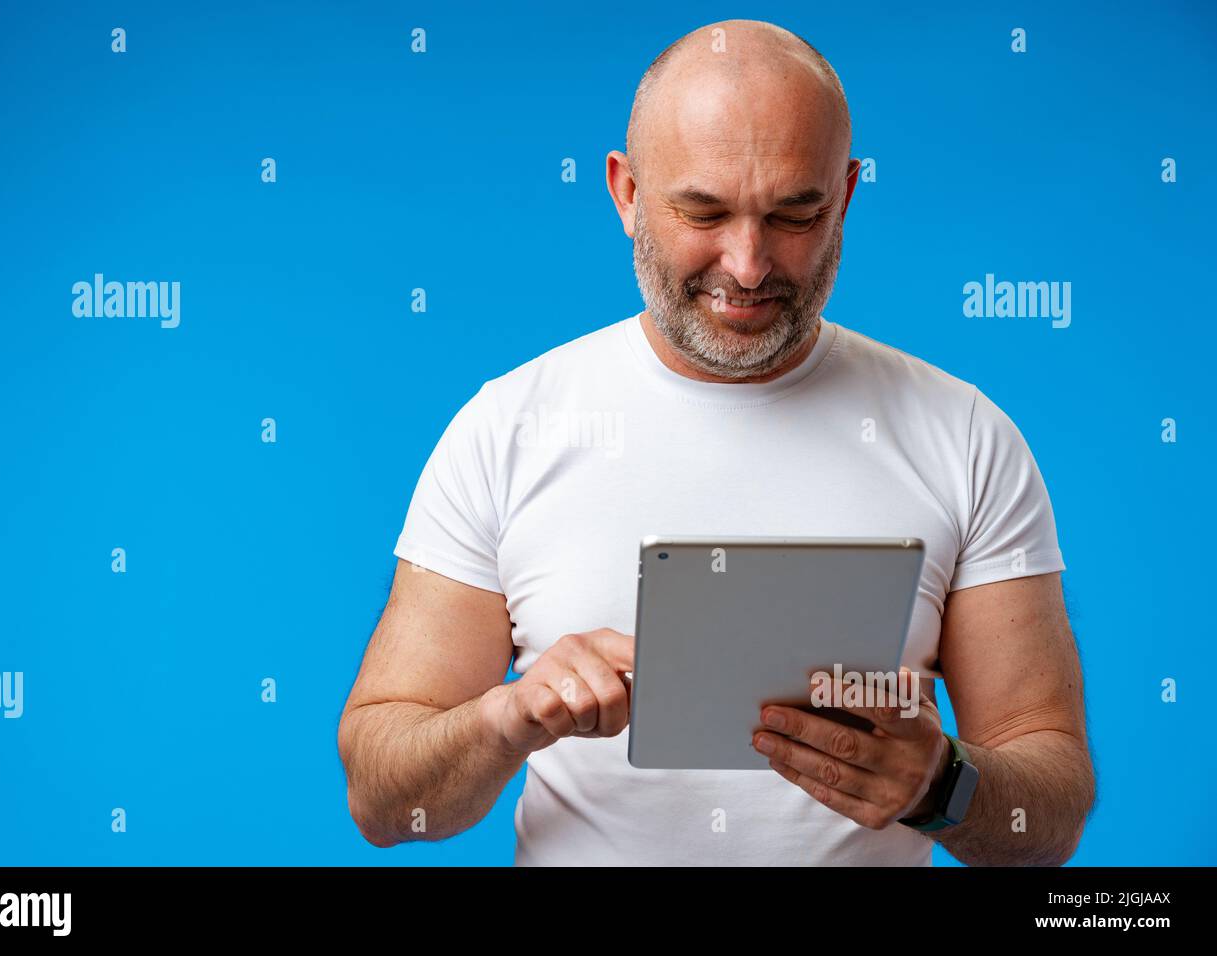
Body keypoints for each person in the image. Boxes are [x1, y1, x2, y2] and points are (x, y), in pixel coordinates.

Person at [337, 19, 1094, 866]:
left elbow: (1051, 809)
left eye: (794, 214)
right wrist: (506, 719)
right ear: (626, 194)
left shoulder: (966, 437)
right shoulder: (506, 428)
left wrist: (939, 785)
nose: (747, 264)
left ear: (844, 195)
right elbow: (380, 797)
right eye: (703, 211)